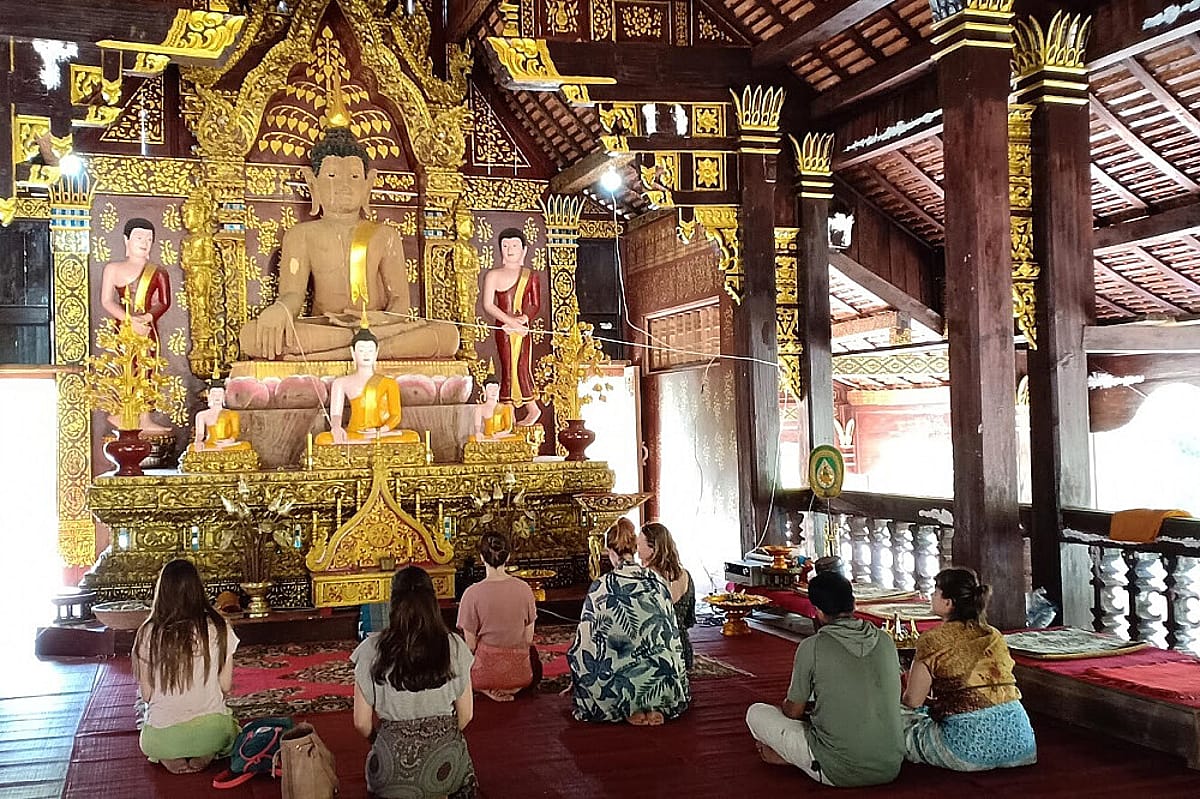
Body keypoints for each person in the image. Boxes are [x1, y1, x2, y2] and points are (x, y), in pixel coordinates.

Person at [239, 118, 459, 360]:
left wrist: (383, 319)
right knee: (252, 336)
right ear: (313, 184)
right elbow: (292, 294)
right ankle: (358, 349)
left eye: (354, 177)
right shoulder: (301, 235)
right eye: (332, 175)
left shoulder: (385, 235)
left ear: (368, 185)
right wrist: (280, 311)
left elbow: (400, 302)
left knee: (447, 335)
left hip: (379, 327)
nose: (343, 185)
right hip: (326, 329)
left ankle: (334, 354)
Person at [745, 570, 904, 787]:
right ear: (854, 603)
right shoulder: (886, 640)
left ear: (818, 611)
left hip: (838, 770)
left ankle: (795, 759)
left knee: (756, 713)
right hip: (891, 765)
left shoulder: (812, 647)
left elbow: (794, 712)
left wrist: (787, 706)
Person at [352, 566, 477, 798]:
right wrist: (439, 738)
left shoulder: (370, 650)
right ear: (433, 601)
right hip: (444, 768)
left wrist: (381, 740)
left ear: (392, 603)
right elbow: (466, 715)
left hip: (389, 772)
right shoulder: (454, 647)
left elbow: (361, 722)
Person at [901, 567, 1037, 771]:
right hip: (1021, 745)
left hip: (967, 750)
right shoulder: (993, 634)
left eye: (935, 591)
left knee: (897, 717)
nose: (931, 595)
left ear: (948, 603)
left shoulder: (932, 640)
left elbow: (912, 701)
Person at [567, 518, 689, 725]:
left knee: (589, 651)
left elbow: (586, 640)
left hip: (621, 676)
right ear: (634, 548)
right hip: (660, 674)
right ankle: (655, 702)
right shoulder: (656, 581)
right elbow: (671, 632)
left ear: (610, 552)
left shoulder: (603, 585)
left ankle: (628, 704)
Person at [132, 559, 240, 774]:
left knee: (153, 734)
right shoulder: (219, 626)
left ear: (161, 591)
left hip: (160, 738)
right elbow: (226, 686)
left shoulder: (148, 633)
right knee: (232, 729)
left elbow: (146, 695)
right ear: (198, 590)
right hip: (213, 733)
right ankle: (207, 751)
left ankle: (168, 754)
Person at [99, 217, 172, 433]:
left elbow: (164, 302)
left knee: (147, 370)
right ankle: (123, 413)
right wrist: (129, 321)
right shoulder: (113, 269)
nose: (144, 242)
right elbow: (106, 301)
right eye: (139, 237)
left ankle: (145, 417)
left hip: (148, 329)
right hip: (124, 329)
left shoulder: (158, 271)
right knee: (126, 368)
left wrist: (147, 318)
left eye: (149, 239)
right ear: (126, 240)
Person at [456, 533, 539, 702]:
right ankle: (512, 687)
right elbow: (528, 639)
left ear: (481, 558)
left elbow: (470, 646)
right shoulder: (524, 589)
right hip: (522, 676)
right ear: (507, 556)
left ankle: (487, 688)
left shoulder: (471, 594)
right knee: (535, 658)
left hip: (482, 676)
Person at [314, 326, 420, 445]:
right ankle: (364, 442)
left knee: (412, 437)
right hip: (355, 433)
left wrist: (379, 431)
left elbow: (396, 416)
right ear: (353, 353)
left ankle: (364, 442)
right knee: (323, 439)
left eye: (370, 350)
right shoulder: (341, 382)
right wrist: (336, 428)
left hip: (381, 433)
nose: (366, 354)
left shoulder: (389, 383)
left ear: (376, 352)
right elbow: (336, 414)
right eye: (361, 350)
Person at [480, 228, 541, 426]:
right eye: (505, 246)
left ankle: (532, 408)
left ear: (524, 251)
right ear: (500, 250)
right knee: (507, 367)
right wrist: (508, 321)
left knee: (522, 367)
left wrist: (523, 318)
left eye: (514, 245)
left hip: (522, 329)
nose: (510, 249)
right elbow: (488, 305)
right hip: (504, 330)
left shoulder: (530, 275)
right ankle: (510, 410)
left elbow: (534, 303)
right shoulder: (493, 275)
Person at [637, 521, 696, 669]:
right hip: (682, 651)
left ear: (653, 549)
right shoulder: (685, 575)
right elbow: (689, 620)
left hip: (654, 655)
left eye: (639, 545)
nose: (636, 550)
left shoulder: (644, 578)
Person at [190, 383, 252, 452]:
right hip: (210, 444)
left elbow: (235, 432)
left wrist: (230, 441)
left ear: (224, 396)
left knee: (245, 445)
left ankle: (215, 450)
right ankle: (216, 450)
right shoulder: (201, 415)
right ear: (209, 396)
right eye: (214, 394)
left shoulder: (231, 413)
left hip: (226, 444)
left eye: (220, 394)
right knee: (192, 448)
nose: (217, 397)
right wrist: (198, 442)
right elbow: (200, 434)